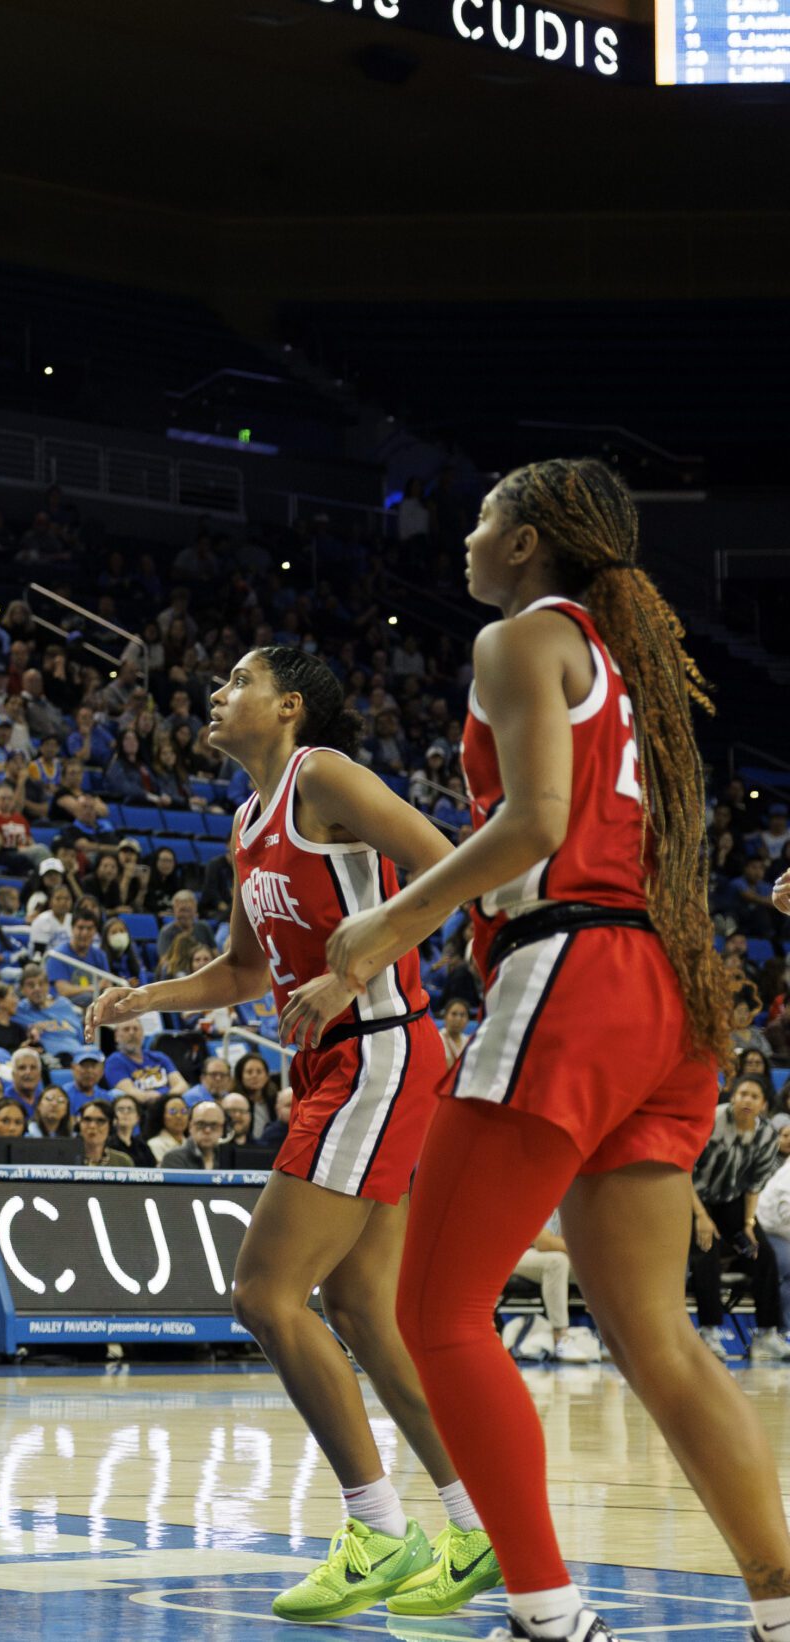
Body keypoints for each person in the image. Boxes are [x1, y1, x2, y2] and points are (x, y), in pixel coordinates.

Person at [321, 459, 790, 1642]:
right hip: (664, 999)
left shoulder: (524, 635)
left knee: (433, 1309)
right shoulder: (623, 662)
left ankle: (546, 1613)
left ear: (529, 539)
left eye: (483, 518)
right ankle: (782, 1603)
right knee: (655, 1336)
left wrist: (389, 920)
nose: (467, 536)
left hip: (575, 978)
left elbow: (533, 822)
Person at [87, 644, 482, 1615]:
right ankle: (480, 1526)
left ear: (290, 704)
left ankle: (377, 1529)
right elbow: (242, 971)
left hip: (377, 1048)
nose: (217, 694)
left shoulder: (325, 775)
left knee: (264, 1294)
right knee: (359, 1309)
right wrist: (148, 997)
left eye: (238, 683)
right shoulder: (244, 821)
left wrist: (355, 968)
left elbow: (450, 866)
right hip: (333, 1064)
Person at [687, 1075, 787, 1361]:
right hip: (694, 1201)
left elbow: (754, 1185)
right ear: (733, 1097)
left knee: (760, 1253)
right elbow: (684, 1172)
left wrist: (748, 1224)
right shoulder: (712, 1121)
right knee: (706, 1250)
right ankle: (709, 1331)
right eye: (743, 1094)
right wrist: (701, 1217)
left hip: (731, 1205)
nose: (747, 1100)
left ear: (763, 1104)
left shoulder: (766, 1135)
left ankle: (766, 1335)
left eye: (754, 1096)